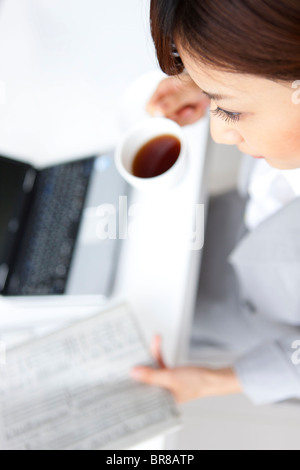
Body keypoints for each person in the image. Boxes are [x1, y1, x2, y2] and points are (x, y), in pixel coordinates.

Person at [131, 0, 300, 406]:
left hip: (261, 311)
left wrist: (214, 382)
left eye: (231, 111)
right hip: (230, 233)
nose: (219, 131)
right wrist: (210, 81)